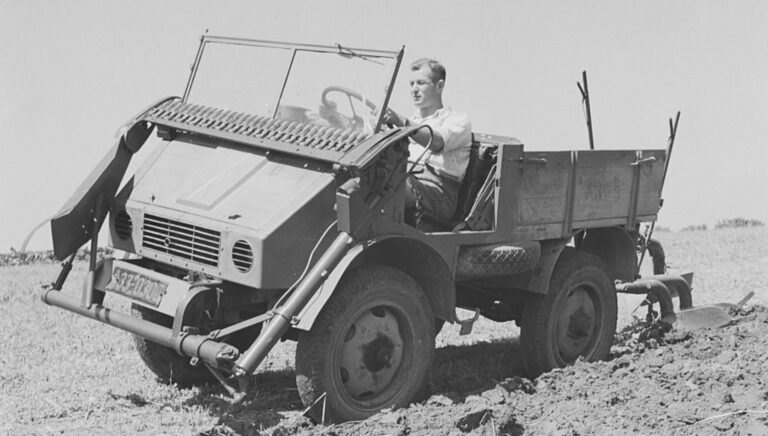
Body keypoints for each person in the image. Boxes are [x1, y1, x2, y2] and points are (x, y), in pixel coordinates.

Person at [383, 58, 472, 225]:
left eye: (421, 83)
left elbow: (436, 142)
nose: (414, 90)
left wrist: (401, 121)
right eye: (411, 84)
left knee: (379, 189)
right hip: (407, 179)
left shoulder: (457, 120)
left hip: (438, 194)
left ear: (439, 86)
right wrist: (334, 118)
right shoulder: (412, 121)